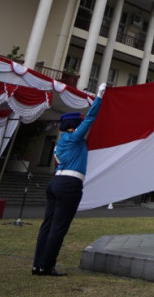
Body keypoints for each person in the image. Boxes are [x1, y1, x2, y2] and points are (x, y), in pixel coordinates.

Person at [32, 85, 105, 277]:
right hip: (69, 185)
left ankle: (37, 265)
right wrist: (99, 97)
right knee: (59, 227)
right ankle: (47, 266)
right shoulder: (74, 138)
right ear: (73, 126)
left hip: (55, 183)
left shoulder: (60, 144)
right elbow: (90, 119)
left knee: (47, 225)